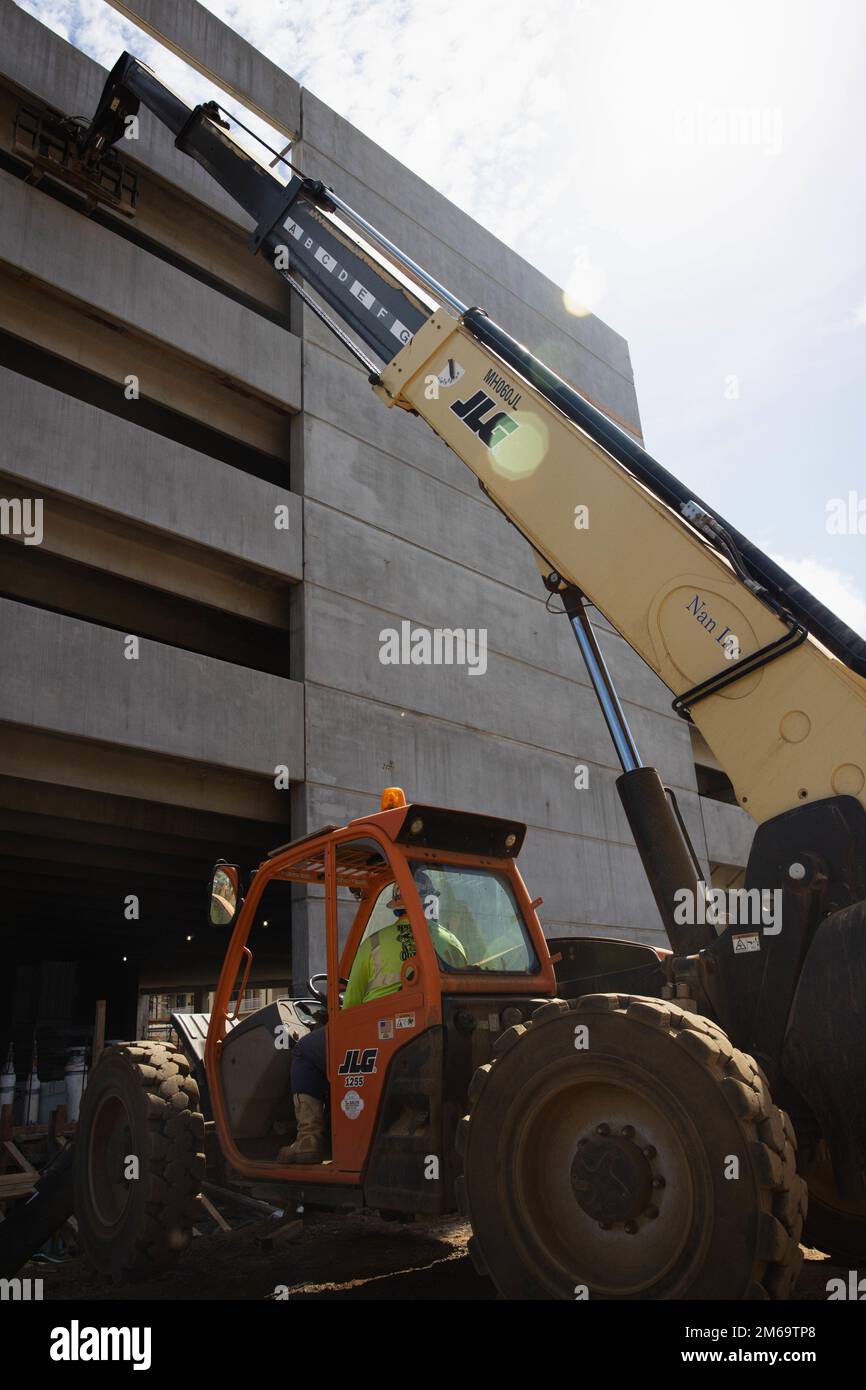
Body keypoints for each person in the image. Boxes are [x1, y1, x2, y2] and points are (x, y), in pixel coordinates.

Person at [278, 871, 466, 1163]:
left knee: (305, 1050)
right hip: (432, 1036)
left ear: (396, 906)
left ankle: (309, 1140)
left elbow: (349, 1009)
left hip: (378, 1040)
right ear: (430, 902)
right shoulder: (452, 943)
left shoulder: (374, 944)